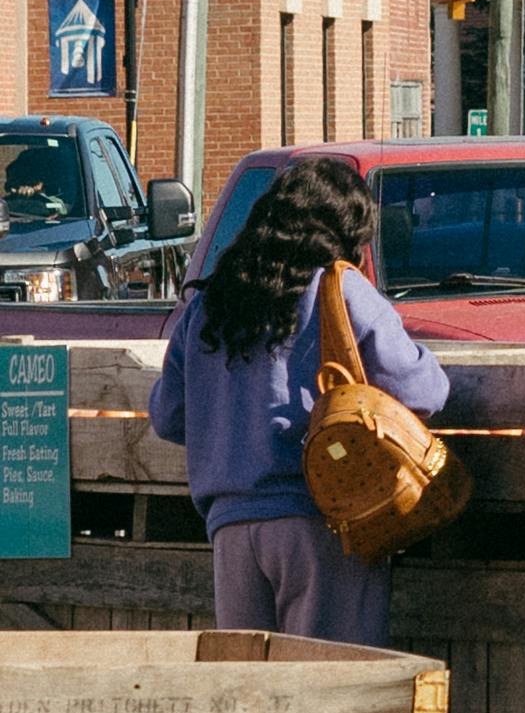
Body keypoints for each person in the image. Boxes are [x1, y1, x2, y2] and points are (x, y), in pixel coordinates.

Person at [147, 158, 449, 647]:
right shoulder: (340, 287)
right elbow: (423, 392)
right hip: (322, 521)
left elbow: (167, 416)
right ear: (347, 231)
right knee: (326, 692)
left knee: (253, 702)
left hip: (231, 530)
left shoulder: (207, 303)